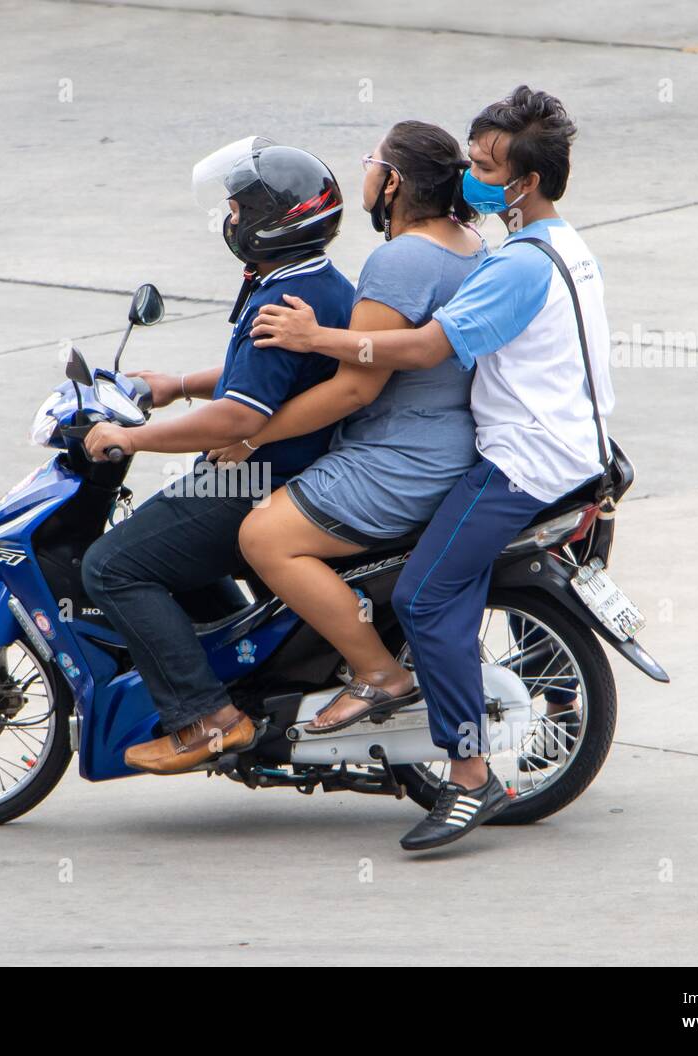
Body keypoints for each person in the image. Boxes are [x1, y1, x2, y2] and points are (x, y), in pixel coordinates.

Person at [250, 87, 614, 852]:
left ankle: (470, 774)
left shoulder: (519, 266)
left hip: (523, 463)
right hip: (572, 447)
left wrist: (316, 338)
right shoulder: (565, 247)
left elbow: (419, 350)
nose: (470, 178)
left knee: (426, 591)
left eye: (485, 166)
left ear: (526, 184)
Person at [80, 138, 355, 775]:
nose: (229, 222)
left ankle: (206, 719)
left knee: (112, 566)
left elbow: (243, 415)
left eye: (237, 211)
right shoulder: (313, 282)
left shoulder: (277, 303)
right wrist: (176, 385)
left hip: (258, 478)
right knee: (166, 551)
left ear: (269, 223)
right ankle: (240, 684)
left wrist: (135, 437)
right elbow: (254, 376)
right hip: (286, 468)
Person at [209, 120, 486, 733]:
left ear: (392, 184)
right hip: (447, 443)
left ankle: (378, 671)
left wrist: (250, 436)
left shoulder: (402, 259)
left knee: (264, 537)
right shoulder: (467, 242)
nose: (362, 171)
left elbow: (354, 384)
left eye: (371, 161)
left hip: (399, 456)